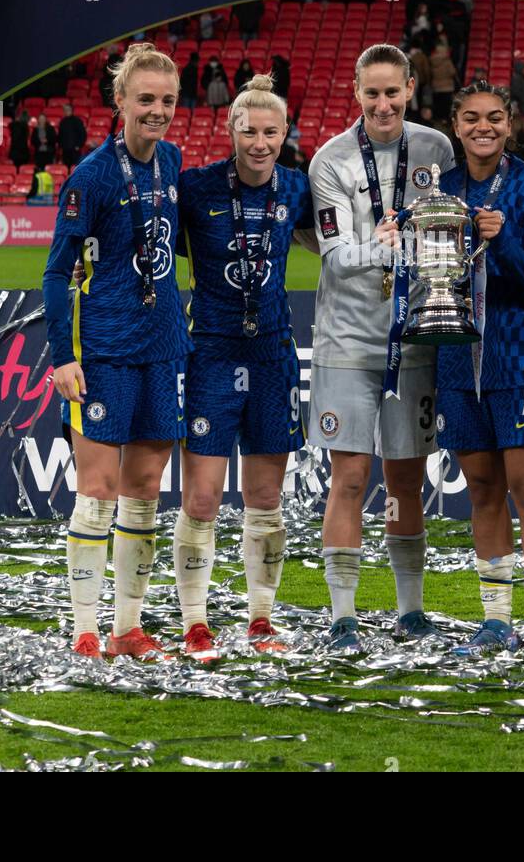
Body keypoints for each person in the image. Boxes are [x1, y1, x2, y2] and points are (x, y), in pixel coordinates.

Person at [43, 42, 191, 660]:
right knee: (97, 490)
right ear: (121, 101)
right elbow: (56, 273)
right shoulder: (91, 177)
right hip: (103, 349)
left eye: (167, 101)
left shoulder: (175, 162)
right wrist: (62, 356)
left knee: (146, 488)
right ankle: (83, 627)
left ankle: (128, 627)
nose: (157, 111)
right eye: (146, 100)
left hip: (162, 349)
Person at [308, 43, 454, 650]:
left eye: (393, 92)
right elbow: (336, 258)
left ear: (411, 88)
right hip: (346, 342)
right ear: (356, 92)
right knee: (347, 478)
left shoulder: (436, 150)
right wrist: (392, 250)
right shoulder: (330, 160)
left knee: (405, 480)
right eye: (372, 93)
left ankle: (411, 611)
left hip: (415, 340)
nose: (384, 103)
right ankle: (342, 616)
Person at [173, 75, 317, 658]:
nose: (260, 142)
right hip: (210, 349)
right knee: (201, 500)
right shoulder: (195, 186)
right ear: (230, 130)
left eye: (271, 131)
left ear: (286, 133)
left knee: (264, 498)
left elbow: (332, 240)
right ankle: (195, 623)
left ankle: (261, 620)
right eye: (249, 130)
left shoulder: (298, 187)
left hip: (274, 352)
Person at [436, 82, 524, 658]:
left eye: (494, 117)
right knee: (484, 490)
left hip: (520, 357)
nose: (482, 127)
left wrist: (503, 240)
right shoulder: (441, 190)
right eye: (471, 118)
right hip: (455, 357)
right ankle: (495, 619)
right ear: (456, 124)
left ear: (510, 123)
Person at [428, 38, 458, 119]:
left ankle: (437, 119)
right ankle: (445, 120)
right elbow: (452, 72)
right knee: (446, 105)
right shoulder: (447, 61)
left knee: (438, 104)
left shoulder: (432, 61)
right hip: (447, 87)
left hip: (436, 87)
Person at [58, 103, 86, 168]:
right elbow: (60, 135)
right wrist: (60, 146)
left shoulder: (77, 121)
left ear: (72, 110)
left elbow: (83, 134)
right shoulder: (62, 121)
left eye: (68, 109)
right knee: (65, 167)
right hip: (65, 149)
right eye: (65, 110)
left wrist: (79, 145)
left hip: (75, 149)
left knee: (75, 167)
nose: (66, 111)